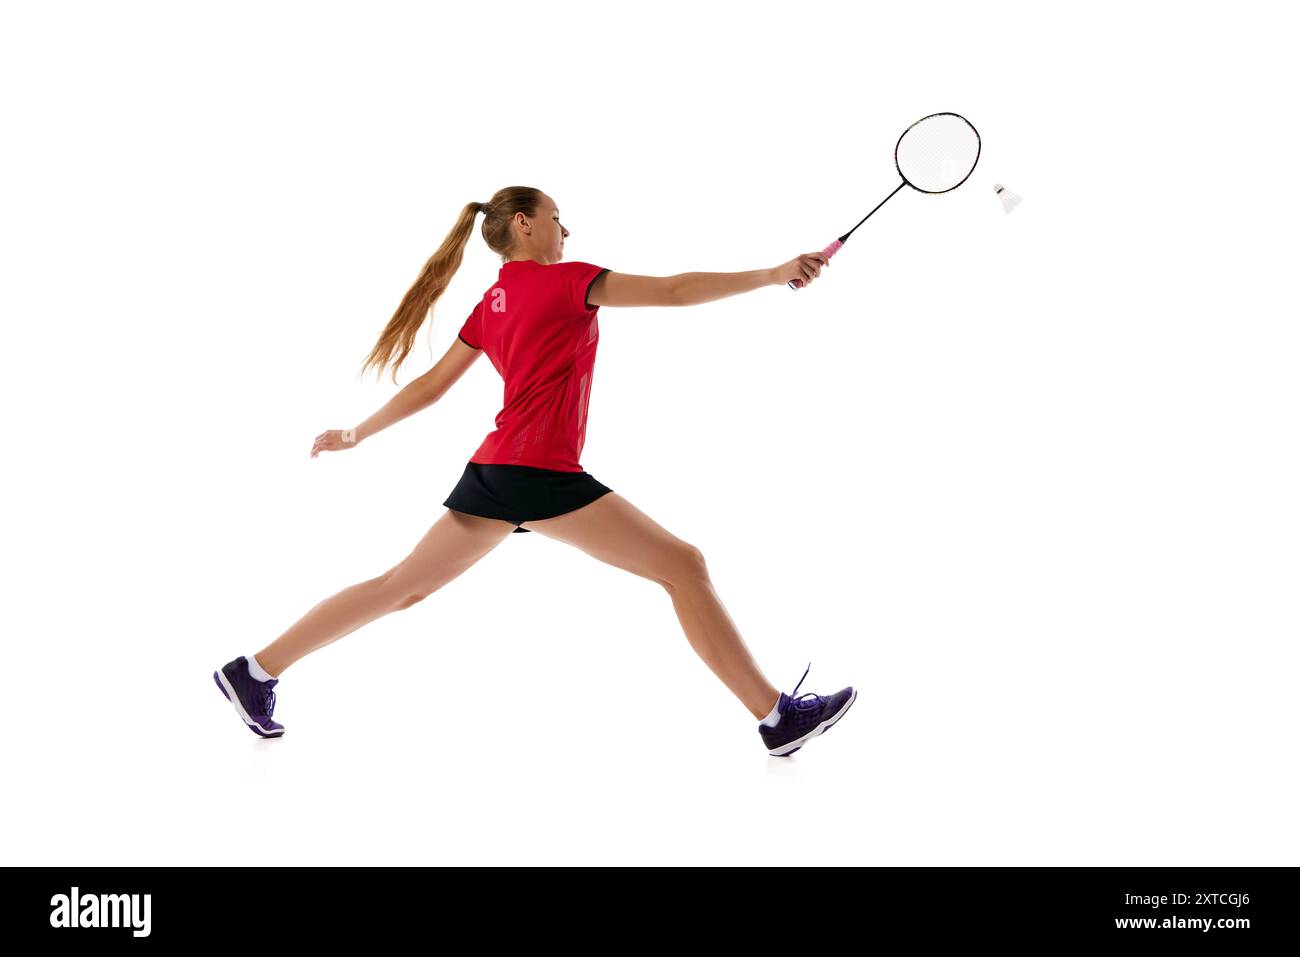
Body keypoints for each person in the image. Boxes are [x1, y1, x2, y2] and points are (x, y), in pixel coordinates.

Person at [213, 186, 856, 756]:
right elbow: (675, 291)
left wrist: (356, 433)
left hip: (497, 470)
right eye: (556, 217)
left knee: (399, 588)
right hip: (537, 471)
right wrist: (773, 273)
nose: (565, 229)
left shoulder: (492, 301)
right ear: (523, 224)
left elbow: (432, 387)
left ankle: (256, 671)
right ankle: (776, 718)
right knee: (684, 566)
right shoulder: (568, 280)